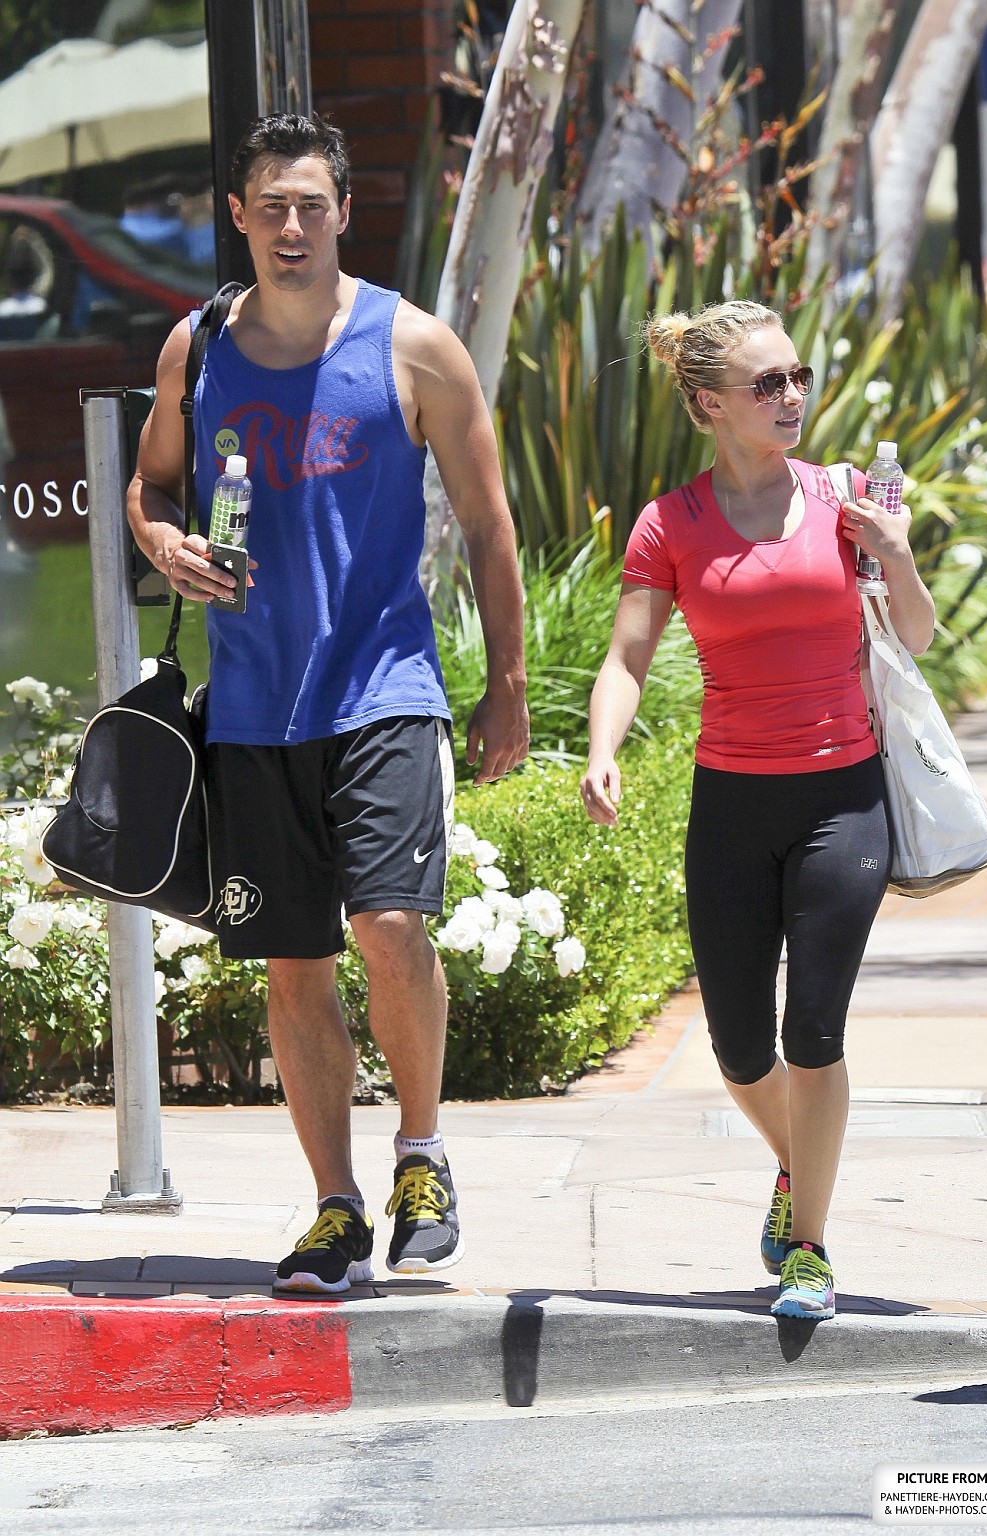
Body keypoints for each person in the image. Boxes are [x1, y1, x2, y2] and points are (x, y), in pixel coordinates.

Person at [127, 113, 529, 1295]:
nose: (292, 225)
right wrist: (166, 544)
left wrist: (504, 689)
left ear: (343, 214)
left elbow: (492, 524)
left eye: (313, 204)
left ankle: (421, 1151)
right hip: (252, 709)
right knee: (292, 961)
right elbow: (151, 489)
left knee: (389, 923)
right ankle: (335, 1211)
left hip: (384, 688)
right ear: (240, 218)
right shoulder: (195, 349)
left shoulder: (414, 347)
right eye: (272, 205)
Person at [581, 301, 934, 1322]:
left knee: (811, 1031)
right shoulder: (670, 524)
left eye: (796, 377)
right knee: (741, 1051)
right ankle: (800, 1169)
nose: (790, 399)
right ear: (706, 405)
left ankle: (810, 1248)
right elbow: (626, 656)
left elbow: (910, 634)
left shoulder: (847, 499)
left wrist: (895, 549)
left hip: (842, 795)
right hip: (730, 800)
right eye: (764, 385)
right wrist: (603, 749)